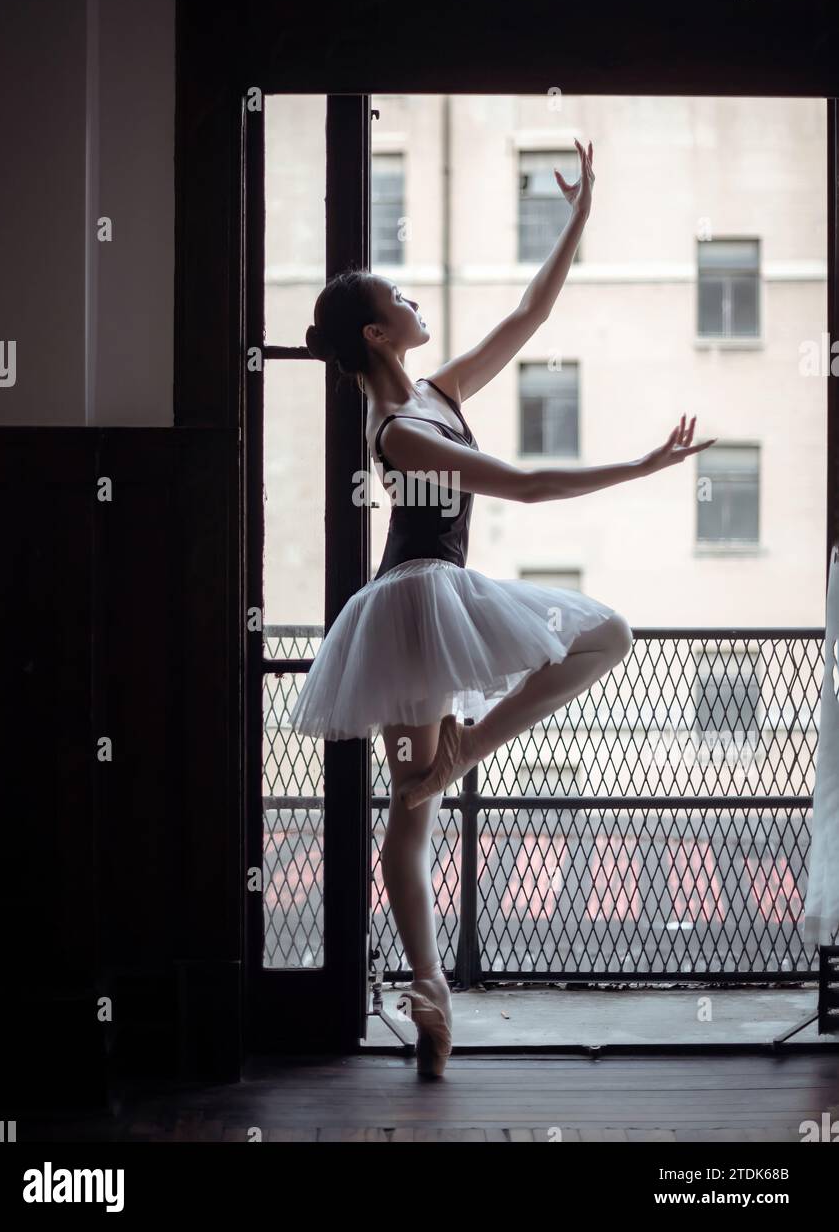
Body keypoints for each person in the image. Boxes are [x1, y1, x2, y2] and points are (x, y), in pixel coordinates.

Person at [289, 140, 715, 1077]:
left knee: (604, 637)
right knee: (412, 810)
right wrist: (640, 466)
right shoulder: (399, 430)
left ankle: (462, 771)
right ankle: (433, 994)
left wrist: (578, 219)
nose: (412, 302)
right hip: (410, 601)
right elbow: (521, 486)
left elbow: (530, 313)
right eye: (397, 297)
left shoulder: (438, 395)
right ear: (373, 334)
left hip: (427, 601)